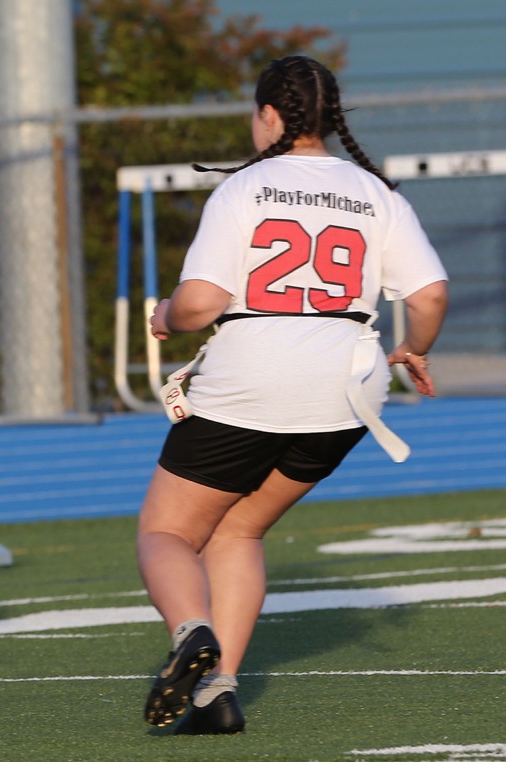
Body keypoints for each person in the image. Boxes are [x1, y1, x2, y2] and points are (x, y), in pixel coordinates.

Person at [137, 55, 449, 735]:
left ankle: (193, 633)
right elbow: (429, 295)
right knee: (241, 528)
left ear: (269, 117)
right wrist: (415, 349)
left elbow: (202, 303)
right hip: (348, 390)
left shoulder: (245, 188)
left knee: (167, 532)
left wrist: (163, 315)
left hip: (255, 375)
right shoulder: (376, 191)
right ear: (330, 119)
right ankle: (216, 692)